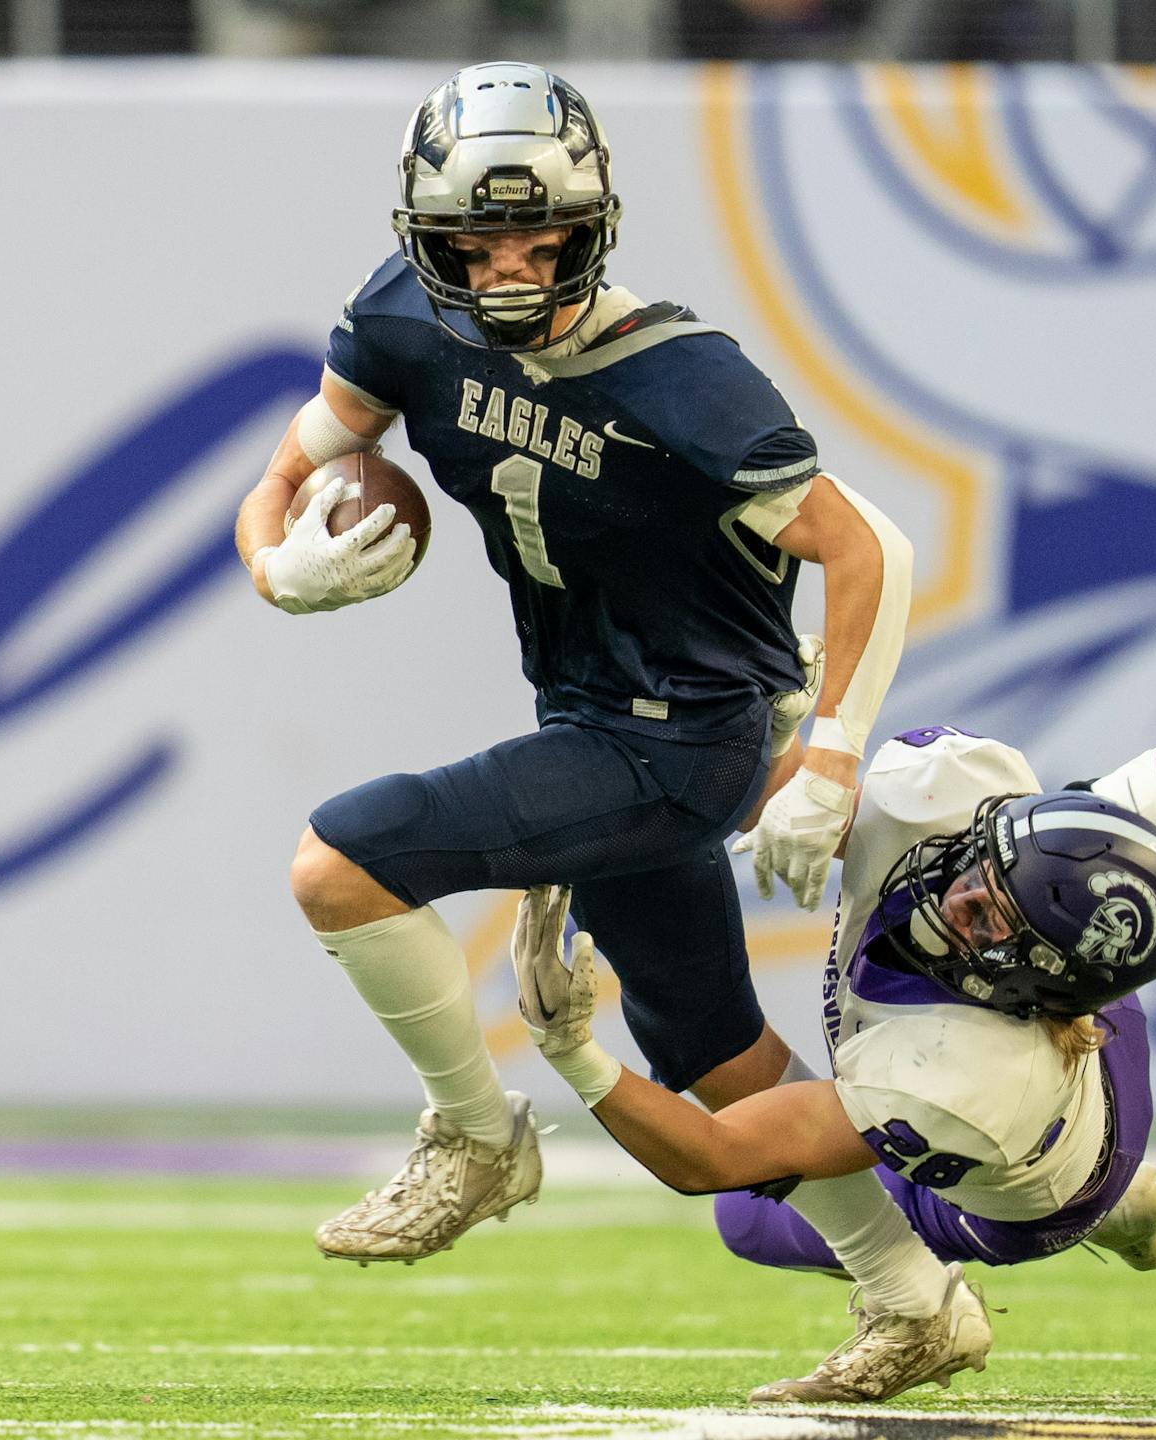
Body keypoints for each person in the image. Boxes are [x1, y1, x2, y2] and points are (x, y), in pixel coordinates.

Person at [510, 544, 1156, 1403]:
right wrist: (783, 760)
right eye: (986, 872)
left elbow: (714, 1161)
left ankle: (920, 1312)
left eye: (992, 916)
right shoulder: (958, 801)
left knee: (757, 1206)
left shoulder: (962, 1074)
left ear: (1027, 983)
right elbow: (1139, 815)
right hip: (1059, 1040)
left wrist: (575, 1050)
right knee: (1107, 830)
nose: (964, 894)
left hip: (1034, 1187)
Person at [231, 63, 914, 1266]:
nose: (504, 270)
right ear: (426, 236)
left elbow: (869, 549)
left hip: (682, 739)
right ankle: (914, 1295)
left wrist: (831, 761)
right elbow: (283, 481)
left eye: (534, 238)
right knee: (715, 1056)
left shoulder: (683, 378)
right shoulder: (400, 319)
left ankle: (476, 1136)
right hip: (595, 715)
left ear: (588, 228)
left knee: (341, 863)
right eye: (473, 242)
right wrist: (280, 570)